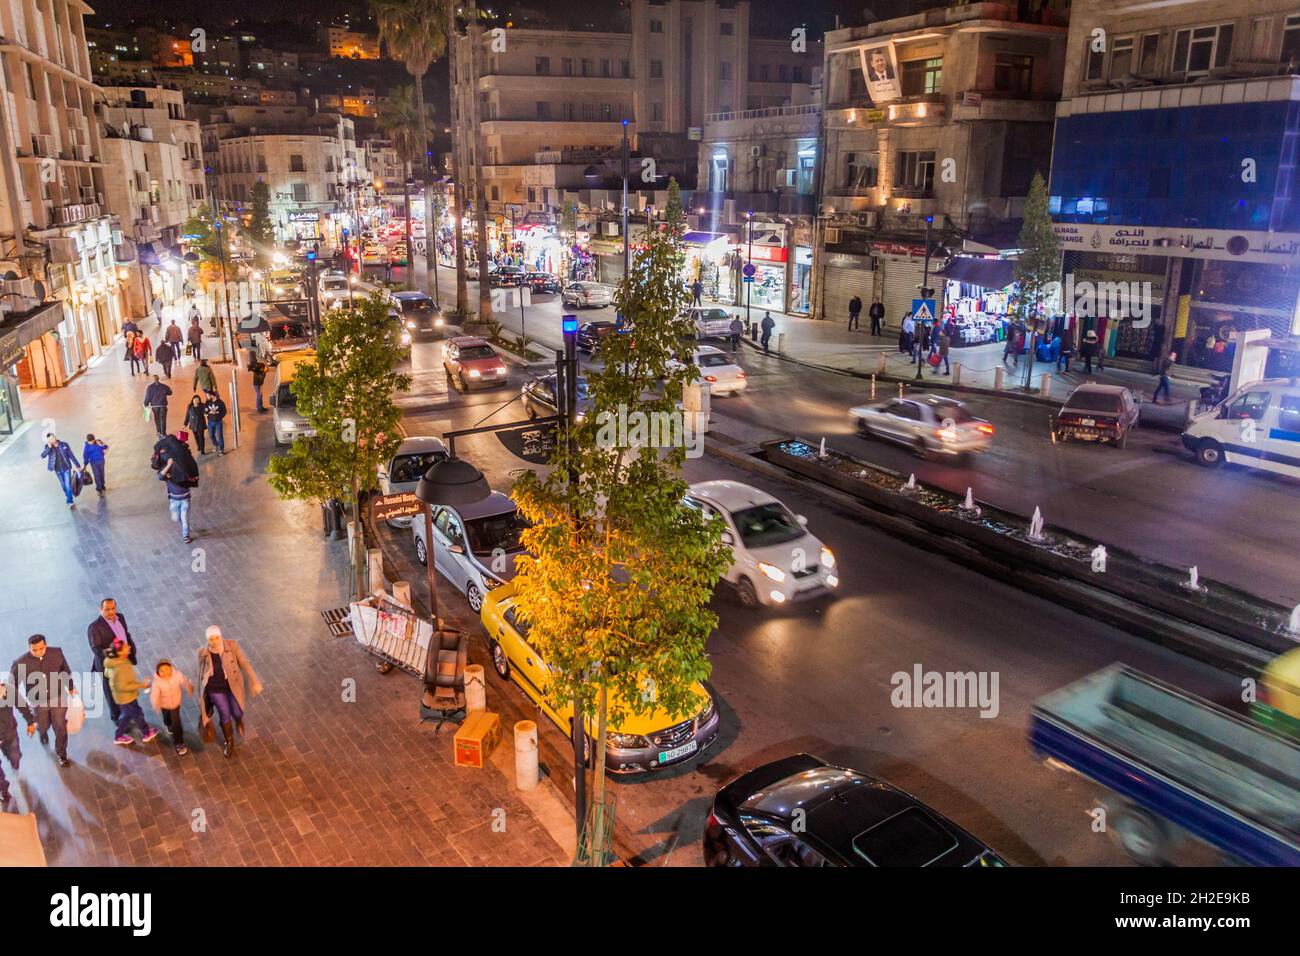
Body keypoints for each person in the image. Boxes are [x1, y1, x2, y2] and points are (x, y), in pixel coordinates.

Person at [197, 626, 263, 759]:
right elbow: (200, 674)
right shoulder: (202, 652)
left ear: (221, 636)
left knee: (237, 710)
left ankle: (238, 720)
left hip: (232, 685)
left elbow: (245, 663)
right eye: (211, 639)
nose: (215, 641)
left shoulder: (232, 646)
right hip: (215, 688)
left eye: (217, 638)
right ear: (207, 640)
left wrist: (255, 680)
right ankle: (229, 740)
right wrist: (200, 695)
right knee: (225, 713)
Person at [10, 635, 75, 768]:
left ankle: (61, 754)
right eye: (35, 650)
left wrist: (71, 686)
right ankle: (42, 732)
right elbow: (12, 687)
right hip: (38, 702)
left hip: (58, 697)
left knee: (61, 727)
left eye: (41, 648)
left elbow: (65, 670)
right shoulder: (20, 663)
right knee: (43, 725)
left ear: (46, 645)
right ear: (29, 648)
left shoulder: (57, 653)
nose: (39, 652)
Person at [87, 598, 138, 724]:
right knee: (111, 691)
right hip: (109, 666)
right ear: (101, 610)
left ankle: (128, 710)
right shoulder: (94, 627)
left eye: (113, 609)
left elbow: (126, 634)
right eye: (107, 609)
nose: (111, 612)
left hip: (124, 660)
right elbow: (96, 649)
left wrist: (132, 650)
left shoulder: (120, 617)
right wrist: (115, 658)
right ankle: (117, 717)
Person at [103, 638, 158, 746]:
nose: (129, 647)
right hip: (126, 697)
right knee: (137, 714)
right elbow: (123, 686)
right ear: (119, 652)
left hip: (123, 696)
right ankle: (146, 733)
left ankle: (119, 735)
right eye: (125, 647)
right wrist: (142, 685)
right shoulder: (121, 666)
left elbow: (107, 674)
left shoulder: (112, 661)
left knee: (127, 716)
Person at [149, 660, 194, 756]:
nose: (165, 672)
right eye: (162, 671)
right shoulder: (157, 683)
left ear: (171, 669)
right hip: (164, 704)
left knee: (176, 723)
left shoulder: (177, 675)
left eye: (167, 669)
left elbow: (184, 681)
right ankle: (168, 723)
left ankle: (179, 743)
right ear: (158, 672)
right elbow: (154, 695)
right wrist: (155, 704)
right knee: (167, 717)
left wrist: (189, 687)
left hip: (175, 703)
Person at [157, 440, 195, 543]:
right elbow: (160, 476)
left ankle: (186, 535)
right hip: (173, 500)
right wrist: (169, 466)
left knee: (184, 518)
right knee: (177, 518)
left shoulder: (183, 468)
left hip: (185, 499)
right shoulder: (166, 470)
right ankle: (184, 528)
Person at [41, 433, 81, 508]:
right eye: (50, 440)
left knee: (68, 485)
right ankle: (68, 495)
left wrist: (78, 466)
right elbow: (43, 456)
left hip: (66, 468)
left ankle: (70, 501)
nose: (52, 440)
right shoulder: (47, 447)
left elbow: (71, 455)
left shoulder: (64, 445)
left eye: (52, 438)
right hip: (57, 470)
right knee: (63, 485)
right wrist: (48, 448)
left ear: (55, 437)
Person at [0, 678, 19, 810]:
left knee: (14, 756)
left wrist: (30, 720)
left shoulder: (8, 691)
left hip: (9, 734)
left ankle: (14, 761)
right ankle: (4, 792)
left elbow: (21, 704)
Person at [204, 388, 227, 456]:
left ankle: (221, 449)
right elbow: (205, 411)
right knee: (211, 435)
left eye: (207, 395)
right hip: (210, 422)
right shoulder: (207, 402)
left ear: (212, 395)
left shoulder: (220, 403)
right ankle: (215, 444)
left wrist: (218, 415)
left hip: (218, 422)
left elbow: (224, 411)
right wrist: (209, 412)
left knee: (219, 435)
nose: (206, 397)